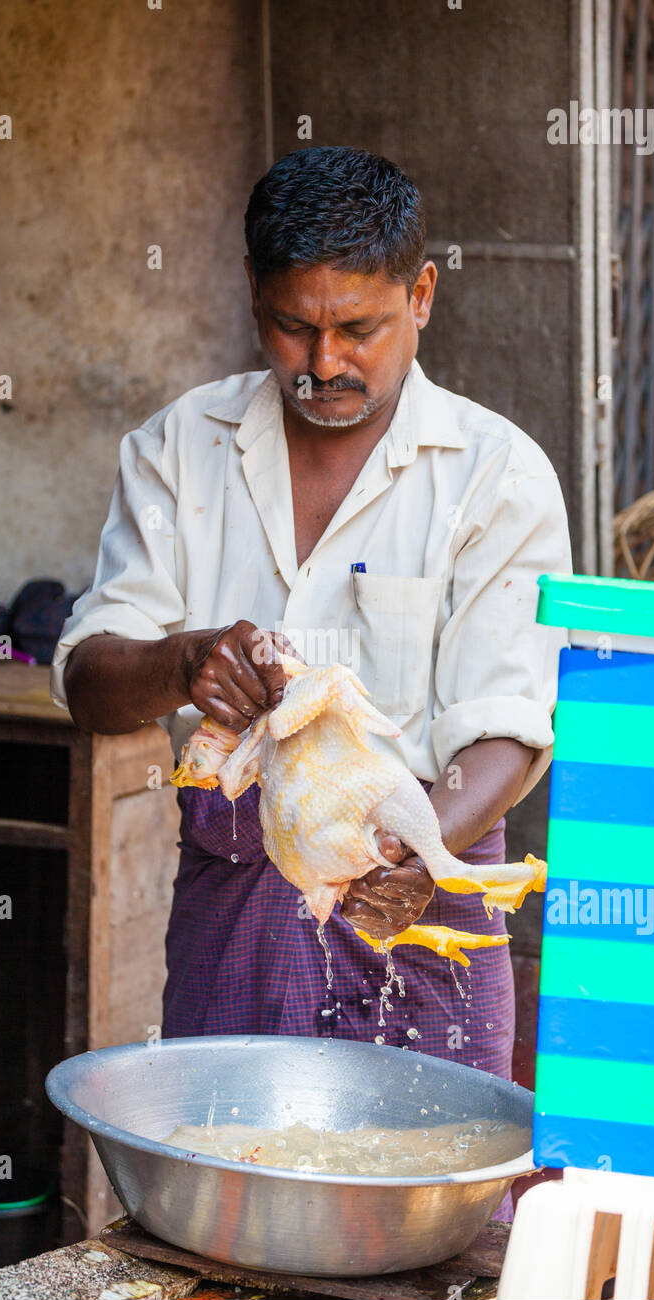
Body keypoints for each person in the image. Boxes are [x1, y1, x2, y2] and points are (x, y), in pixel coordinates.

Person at [51, 145, 572, 1084]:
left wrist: (415, 850)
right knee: (228, 1182)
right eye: (293, 328)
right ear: (253, 290)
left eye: (359, 329)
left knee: (423, 1205)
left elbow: (507, 727)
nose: (323, 363)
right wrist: (185, 662)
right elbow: (88, 679)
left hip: (420, 899)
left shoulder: (497, 475)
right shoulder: (180, 450)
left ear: (421, 295)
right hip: (233, 898)